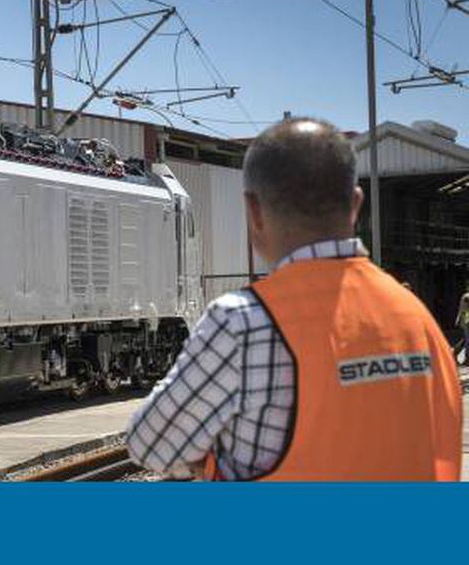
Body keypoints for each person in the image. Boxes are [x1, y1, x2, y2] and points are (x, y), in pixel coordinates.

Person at [126, 117, 462, 481]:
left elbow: (150, 443)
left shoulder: (243, 322)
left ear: (253, 211)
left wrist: (210, 461)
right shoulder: (418, 319)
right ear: (355, 204)